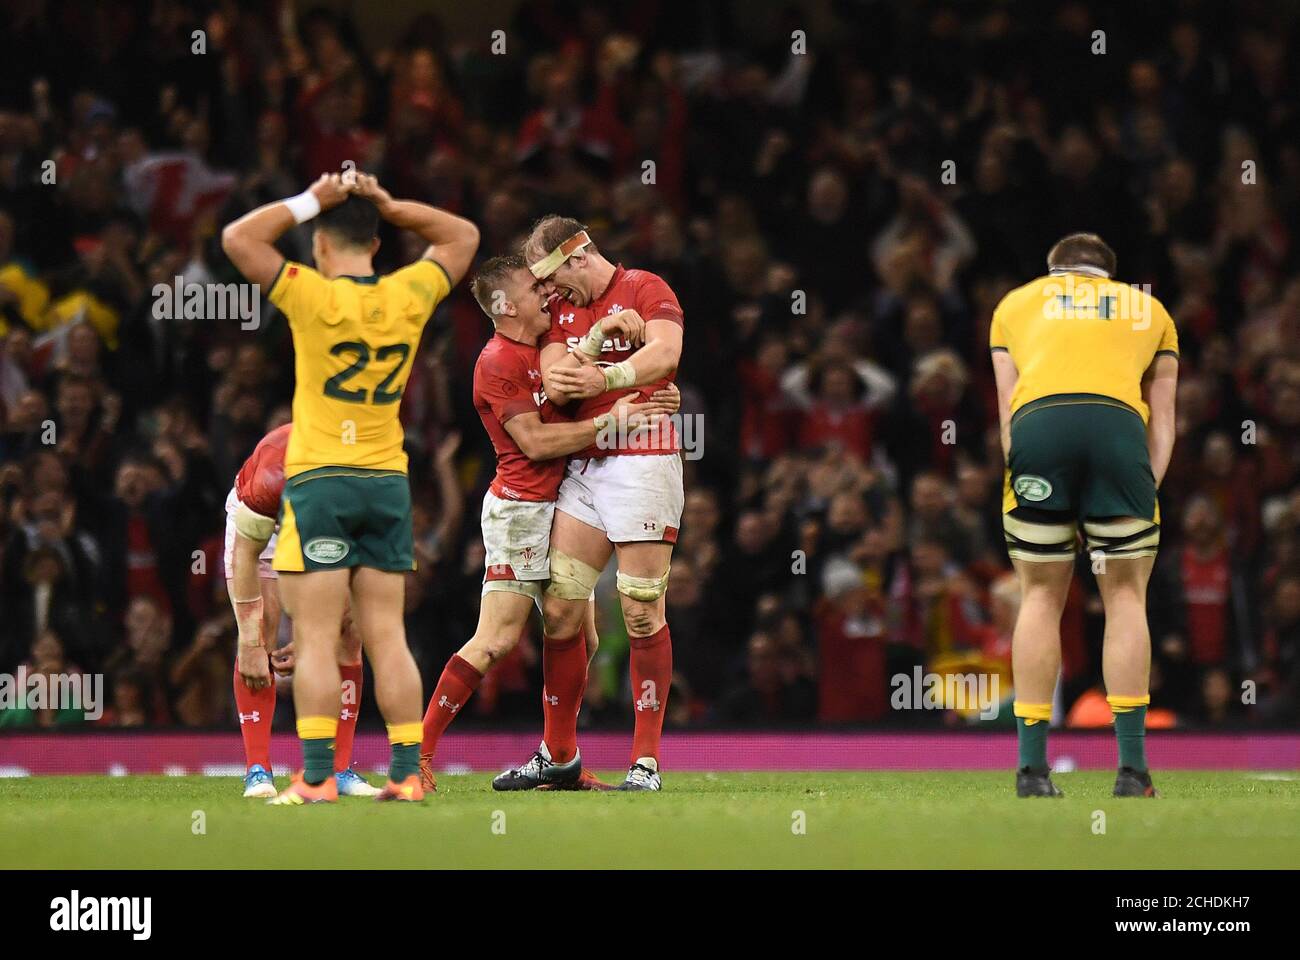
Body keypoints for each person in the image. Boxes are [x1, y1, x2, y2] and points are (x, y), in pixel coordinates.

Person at [221, 171, 479, 803]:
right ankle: (404, 773)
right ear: (378, 243)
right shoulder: (408, 292)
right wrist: (394, 206)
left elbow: (238, 238)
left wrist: (314, 198)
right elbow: (462, 235)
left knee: (311, 637)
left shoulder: (311, 296)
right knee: (384, 635)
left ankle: (314, 780)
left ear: (321, 249)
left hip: (320, 481)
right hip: (387, 480)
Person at [416, 255, 678, 792]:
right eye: (535, 288)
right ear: (506, 306)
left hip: (553, 503)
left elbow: (568, 393)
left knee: (576, 627)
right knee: (495, 638)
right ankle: (415, 756)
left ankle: (561, 759)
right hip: (518, 511)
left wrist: (611, 343)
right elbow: (535, 442)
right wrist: (612, 419)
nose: (548, 294)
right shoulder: (495, 362)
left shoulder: (538, 348)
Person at [493, 216, 684, 791]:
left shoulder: (647, 288)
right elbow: (555, 385)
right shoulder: (562, 314)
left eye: (551, 280)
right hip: (586, 464)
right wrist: (609, 363)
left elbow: (665, 357)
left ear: (576, 258)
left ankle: (645, 762)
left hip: (645, 459)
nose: (548, 296)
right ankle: (558, 753)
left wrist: (604, 379)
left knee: (641, 609)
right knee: (560, 608)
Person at [990, 232, 1178, 798]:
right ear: (1109, 273)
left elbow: (1007, 408)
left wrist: (1026, 475)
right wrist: (1144, 488)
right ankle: (1132, 772)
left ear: (1056, 270)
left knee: (1040, 595)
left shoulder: (1015, 304)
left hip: (1038, 428)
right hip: (1118, 430)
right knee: (1125, 595)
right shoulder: (1152, 310)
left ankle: (1030, 771)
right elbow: (1164, 418)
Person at [224, 422, 377, 799]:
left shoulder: (367, 484)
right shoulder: (271, 478)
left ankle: (337, 769)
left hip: (327, 537)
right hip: (265, 533)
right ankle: (257, 770)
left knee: (349, 633)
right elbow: (245, 554)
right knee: (260, 632)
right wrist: (248, 643)